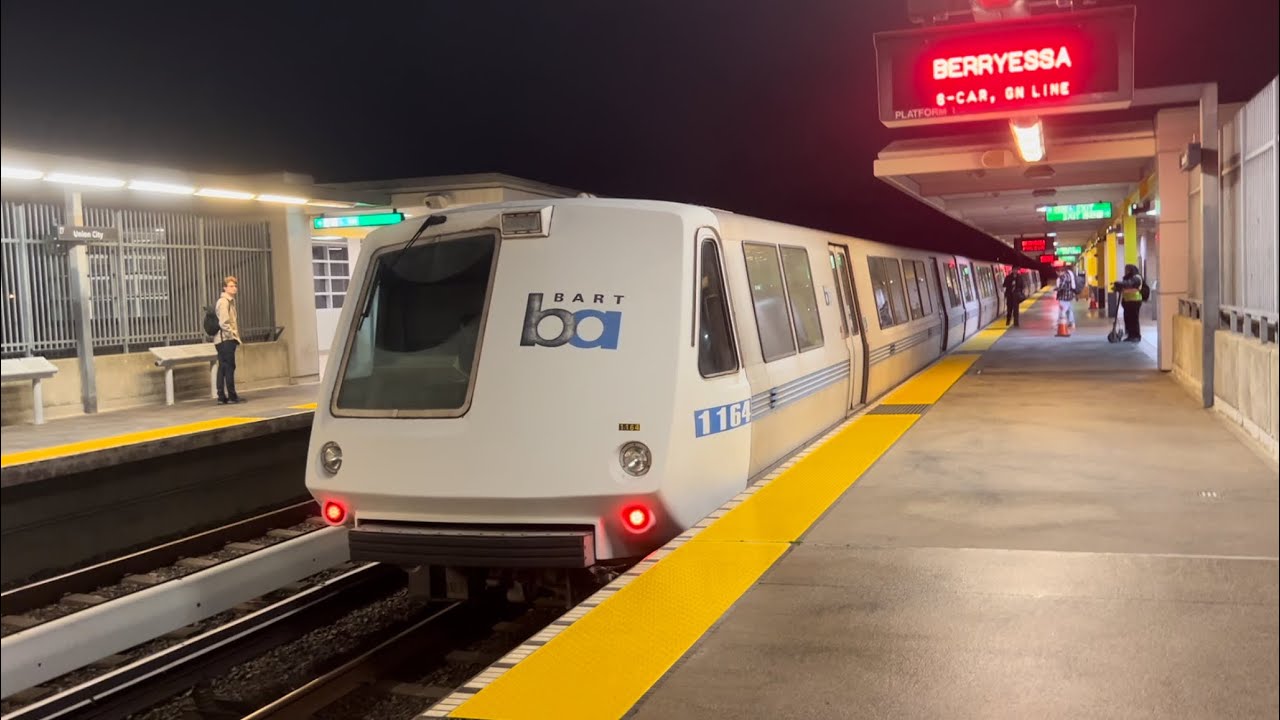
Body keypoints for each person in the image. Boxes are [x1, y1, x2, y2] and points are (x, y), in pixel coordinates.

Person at [213, 276, 245, 403]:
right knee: (229, 367)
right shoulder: (224, 302)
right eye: (231, 286)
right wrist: (231, 335)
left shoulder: (229, 301)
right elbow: (224, 323)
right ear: (224, 288)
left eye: (235, 286)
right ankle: (232, 396)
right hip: (226, 339)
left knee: (223, 368)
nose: (234, 288)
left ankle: (222, 397)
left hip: (223, 339)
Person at [1116, 264, 1144, 342]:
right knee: (1128, 319)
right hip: (1127, 302)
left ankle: (1136, 336)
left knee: (1134, 319)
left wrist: (1122, 286)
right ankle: (1130, 335)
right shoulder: (1128, 278)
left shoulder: (1137, 278)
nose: (1126, 271)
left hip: (1135, 301)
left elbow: (1132, 286)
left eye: (1127, 270)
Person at [1056, 267, 1077, 331]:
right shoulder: (1069, 275)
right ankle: (1072, 323)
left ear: (1060, 272)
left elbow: (1061, 286)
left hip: (1064, 296)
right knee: (1070, 310)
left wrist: (1057, 289)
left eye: (1057, 272)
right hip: (1069, 295)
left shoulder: (1063, 277)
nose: (1057, 274)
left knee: (1063, 310)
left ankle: (1062, 324)